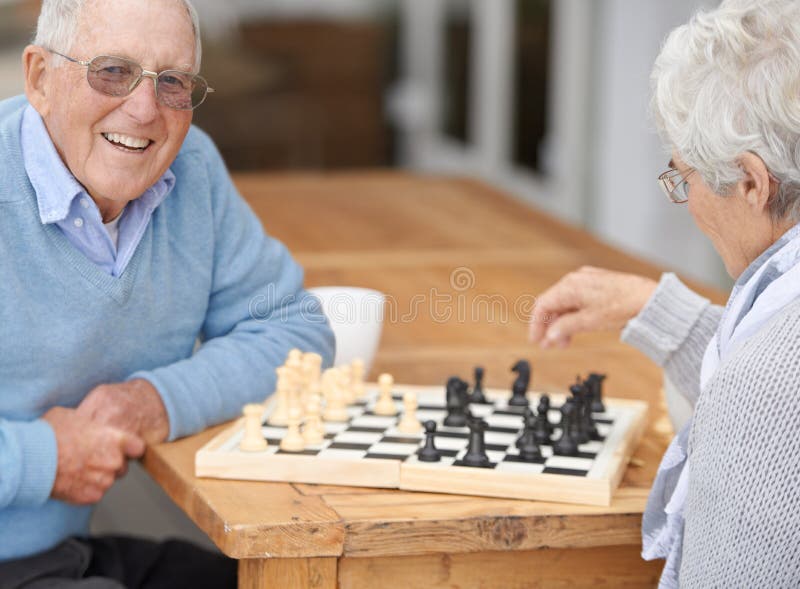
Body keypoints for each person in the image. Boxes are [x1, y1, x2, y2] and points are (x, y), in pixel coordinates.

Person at [0, 0, 335, 586]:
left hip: (56, 556)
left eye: (173, 82)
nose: (144, 109)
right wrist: (43, 460)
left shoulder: (191, 170)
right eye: (112, 71)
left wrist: (157, 399)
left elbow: (295, 329)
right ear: (40, 78)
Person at [529, 0, 800, 586]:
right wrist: (657, 310)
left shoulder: (767, 386)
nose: (686, 200)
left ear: (752, 182)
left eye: (684, 176)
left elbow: (765, 397)